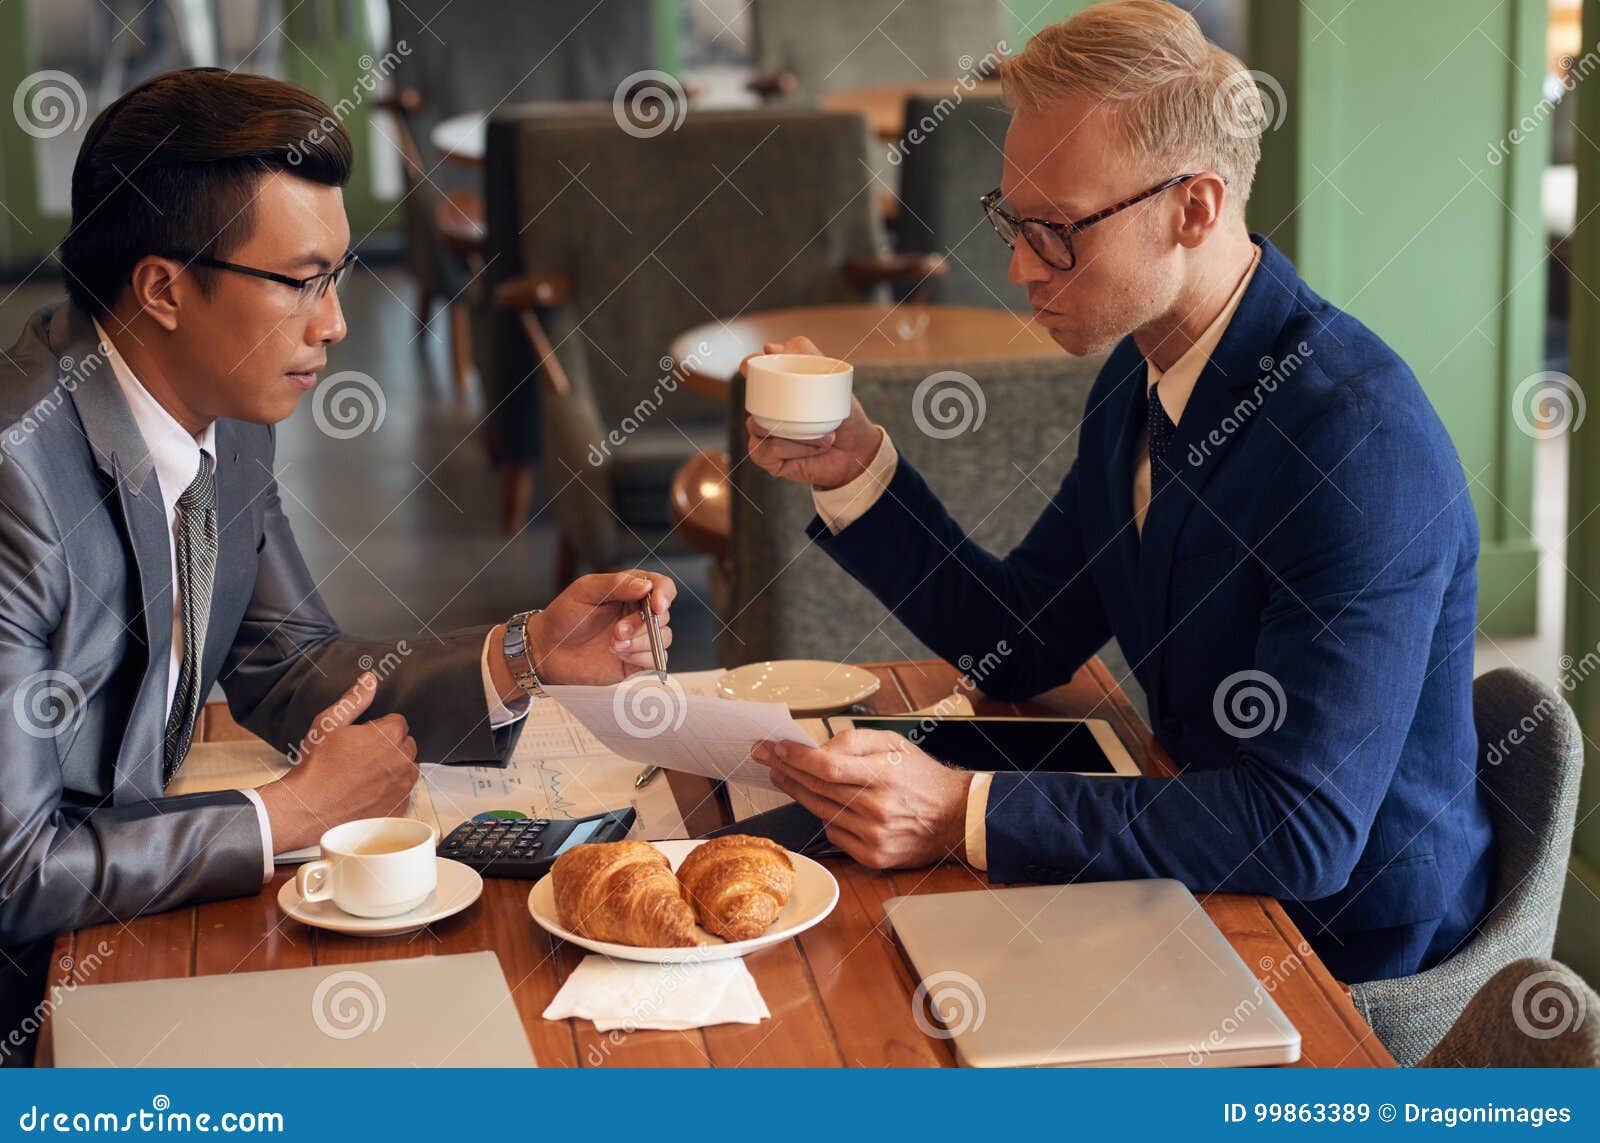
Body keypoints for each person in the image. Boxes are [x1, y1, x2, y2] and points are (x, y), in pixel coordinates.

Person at [746, 0, 1492, 984]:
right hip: (1201, 855)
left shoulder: (1355, 439)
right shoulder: (1142, 376)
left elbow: (1304, 830)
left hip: (1340, 950)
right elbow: (1019, 643)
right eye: (1011, 220)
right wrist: (857, 469)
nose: (1017, 266)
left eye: (1056, 230)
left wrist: (958, 811)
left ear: (1194, 208)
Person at [0, 70, 675, 956]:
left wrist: (526, 655)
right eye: (303, 282)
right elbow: (15, 872)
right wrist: (285, 814)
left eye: (340, 275)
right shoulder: (20, 481)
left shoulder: (220, 409)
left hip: (126, 912)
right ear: (162, 289)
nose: (336, 325)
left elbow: (288, 669)